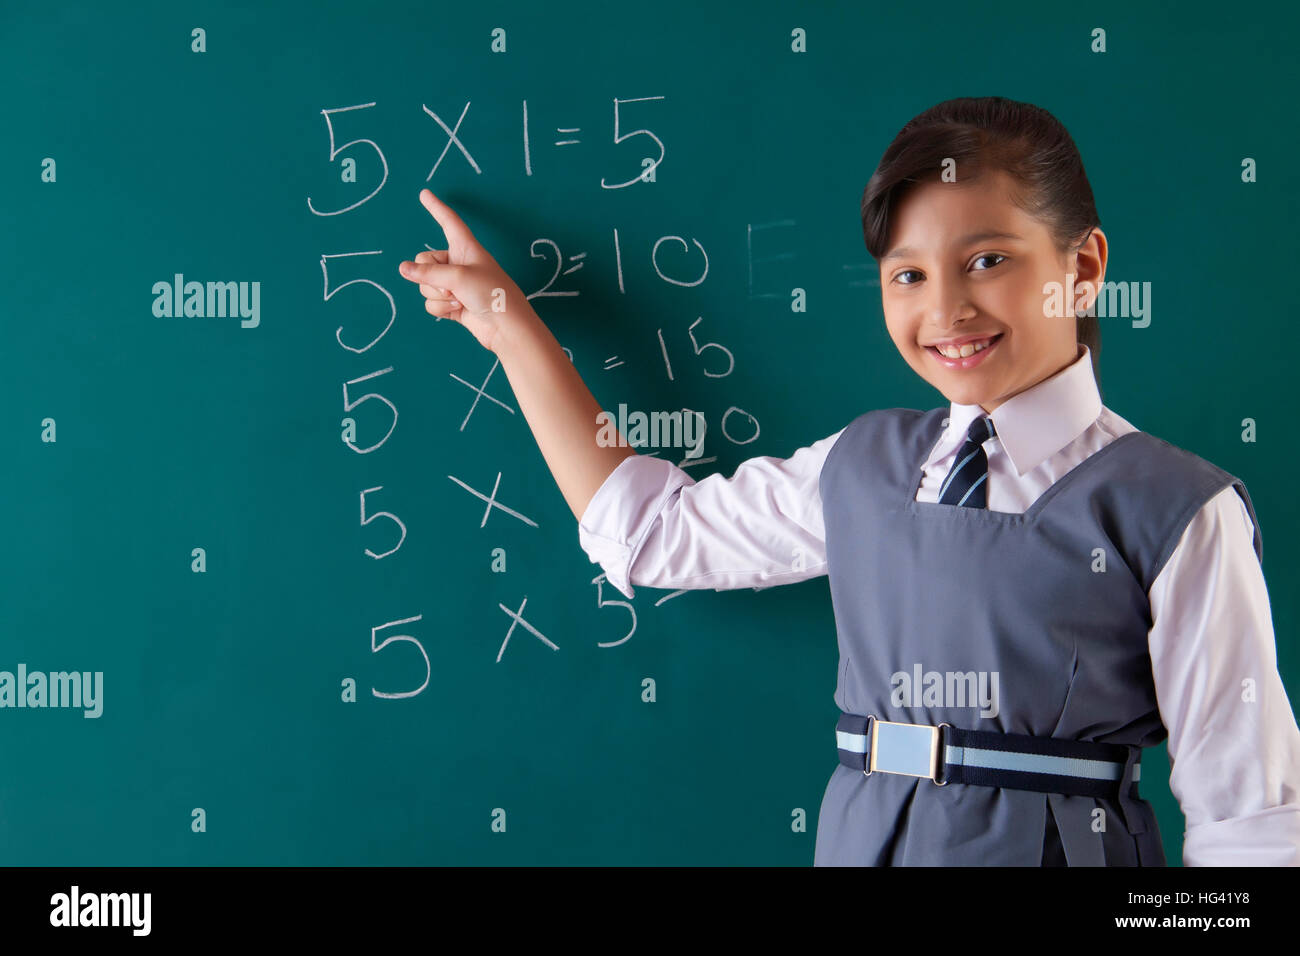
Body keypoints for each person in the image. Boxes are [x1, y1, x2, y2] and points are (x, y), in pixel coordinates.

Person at [397, 96, 1300, 866]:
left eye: (987, 260)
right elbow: (648, 529)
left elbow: (1251, 822)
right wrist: (508, 324)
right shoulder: (860, 467)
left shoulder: (1179, 508)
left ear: (1084, 267)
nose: (945, 309)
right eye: (906, 274)